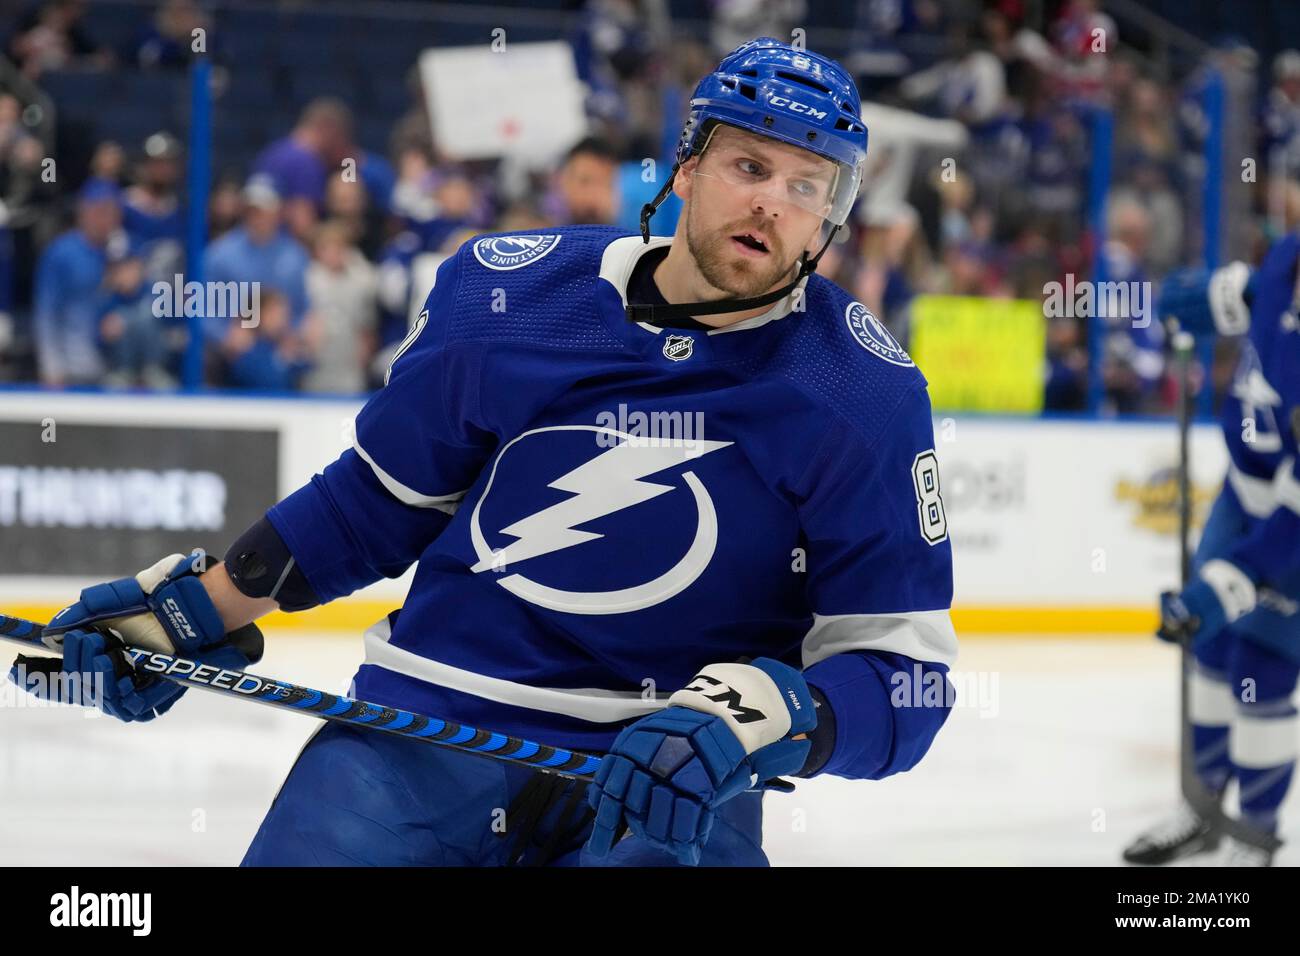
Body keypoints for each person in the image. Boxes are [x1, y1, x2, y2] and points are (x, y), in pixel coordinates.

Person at [11, 38, 957, 867]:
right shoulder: (510, 293)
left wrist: (766, 716)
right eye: (750, 166)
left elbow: (902, 679)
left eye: (808, 186)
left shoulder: (861, 393)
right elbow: (375, 504)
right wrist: (193, 613)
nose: (775, 206)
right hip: (429, 730)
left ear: (833, 216)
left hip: (667, 783)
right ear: (687, 166)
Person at [1123, 246, 1300, 867]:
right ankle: (1202, 810)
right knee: (1213, 652)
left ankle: (1254, 837)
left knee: (1264, 665)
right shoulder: (1287, 261)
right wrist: (1213, 299)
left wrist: (1225, 586)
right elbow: (1256, 293)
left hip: (1294, 524)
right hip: (1241, 494)